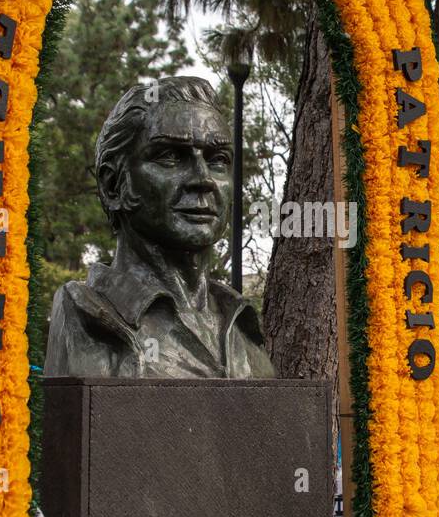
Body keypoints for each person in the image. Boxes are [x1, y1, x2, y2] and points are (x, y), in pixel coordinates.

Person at [45, 77, 275, 379]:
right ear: (113, 185)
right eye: (170, 157)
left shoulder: (241, 327)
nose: (202, 179)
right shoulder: (87, 320)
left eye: (218, 160)